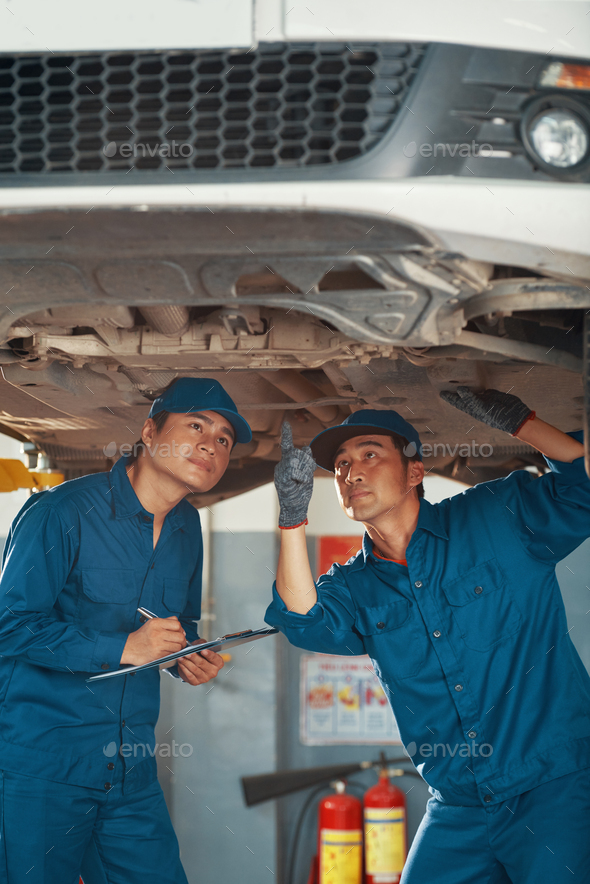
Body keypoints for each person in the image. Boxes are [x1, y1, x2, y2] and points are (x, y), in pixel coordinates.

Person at [265, 387, 590, 883]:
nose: (352, 472)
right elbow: (303, 617)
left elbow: (581, 485)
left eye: (370, 454)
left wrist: (521, 421)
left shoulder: (496, 516)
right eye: (341, 466)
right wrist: (291, 517)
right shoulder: (353, 585)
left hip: (553, 788)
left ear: (415, 471)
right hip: (460, 805)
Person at [0, 377, 251, 884]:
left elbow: (179, 627)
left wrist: (191, 657)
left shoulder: (187, 527)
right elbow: (8, 627)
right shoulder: (62, 512)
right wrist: (123, 647)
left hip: (129, 770)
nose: (211, 443)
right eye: (196, 425)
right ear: (150, 432)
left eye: (224, 438)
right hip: (41, 769)